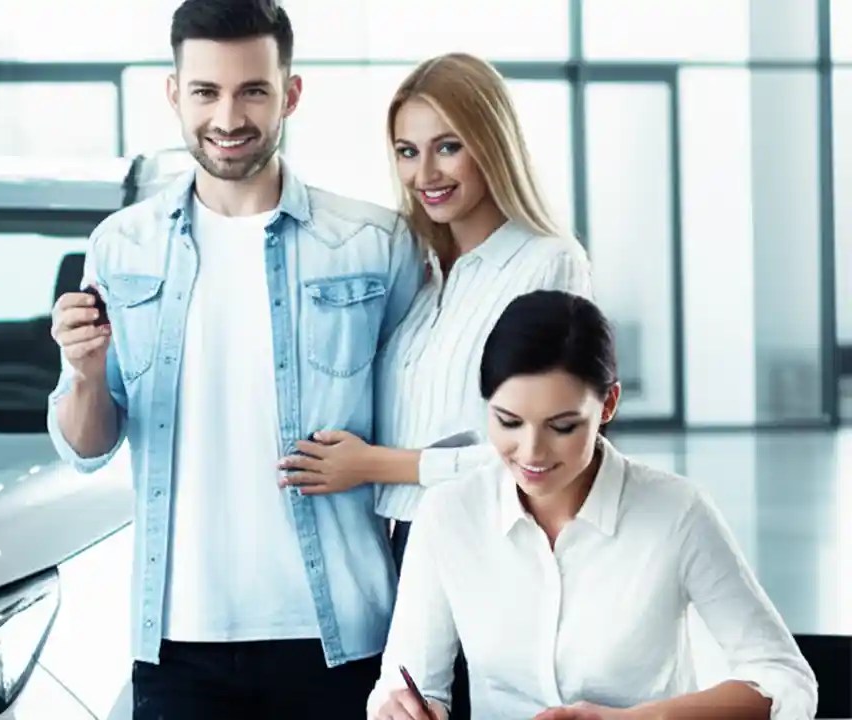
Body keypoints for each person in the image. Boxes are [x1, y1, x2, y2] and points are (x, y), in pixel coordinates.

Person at [45, 0, 422, 716]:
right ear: (173, 93)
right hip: (178, 642)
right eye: (206, 92)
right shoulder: (122, 246)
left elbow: (423, 443)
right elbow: (89, 447)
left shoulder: (375, 245)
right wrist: (87, 374)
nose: (228, 117)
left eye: (253, 90)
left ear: (291, 93)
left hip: (341, 632)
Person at [280, 51, 594, 718]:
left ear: (491, 143)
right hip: (394, 548)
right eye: (406, 151)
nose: (425, 174)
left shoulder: (545, 262)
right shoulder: (417, 272)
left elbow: (540, 450)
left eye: (447, 147)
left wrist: (374, 466)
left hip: (487, 543)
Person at [367, 289, 819, 720]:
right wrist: (400, 705)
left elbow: (785, 680)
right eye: (508, 422)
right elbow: (404, 685)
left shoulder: (676, 512)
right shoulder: (449, 513)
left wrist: (643, 717)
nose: (532, 452)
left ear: (608, 405)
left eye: (562, 426)